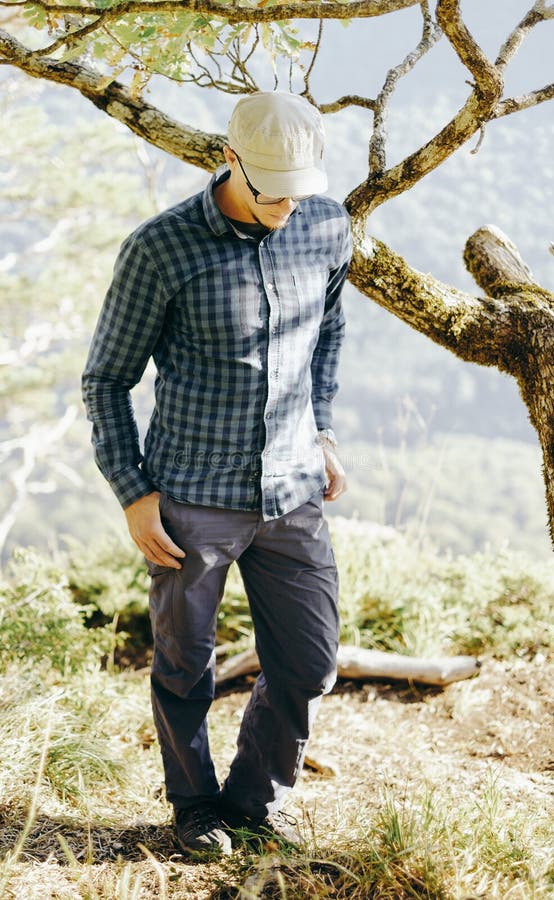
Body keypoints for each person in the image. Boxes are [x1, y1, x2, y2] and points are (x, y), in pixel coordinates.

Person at [82, 91, 352, 857]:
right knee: (183, 666)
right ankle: (196, 808)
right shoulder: (160, 249)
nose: (288, 207)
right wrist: (133, 493)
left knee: (308, 659)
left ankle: (254, 799)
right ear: (229, 159)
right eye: (272, 190)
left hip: (294, 493)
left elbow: (329, 329)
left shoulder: (327, 225)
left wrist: (322, 425)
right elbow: (105, 380)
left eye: (299, 188)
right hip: (192, 500)